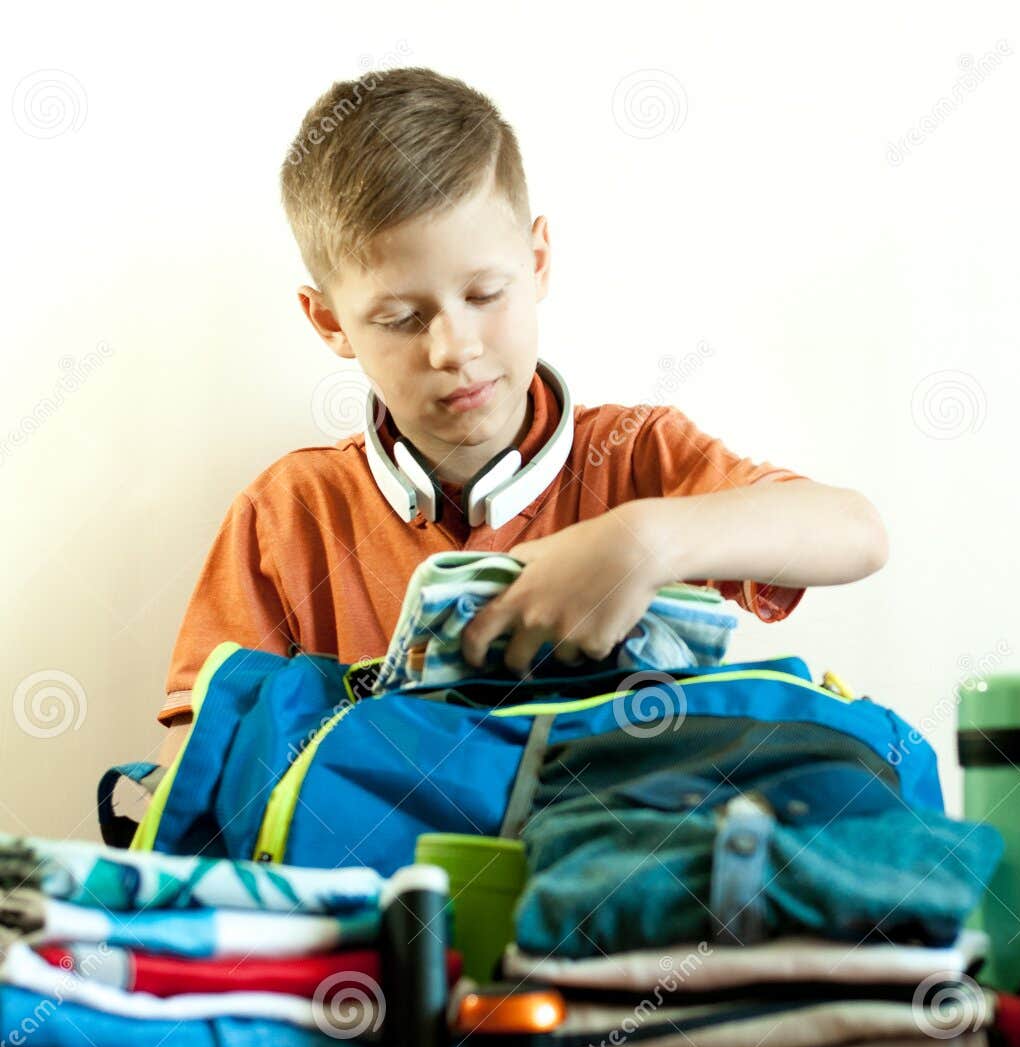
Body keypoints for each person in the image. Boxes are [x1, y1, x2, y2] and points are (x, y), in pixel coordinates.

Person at [154, 66, 887, 765]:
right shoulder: (286, 516)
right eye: (401, 318)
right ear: (329, 322)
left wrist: (644, 542)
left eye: (483, 295)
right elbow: (194, 775)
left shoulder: (638, 456)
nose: (455, 348)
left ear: (536, 263)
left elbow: (858, 533)